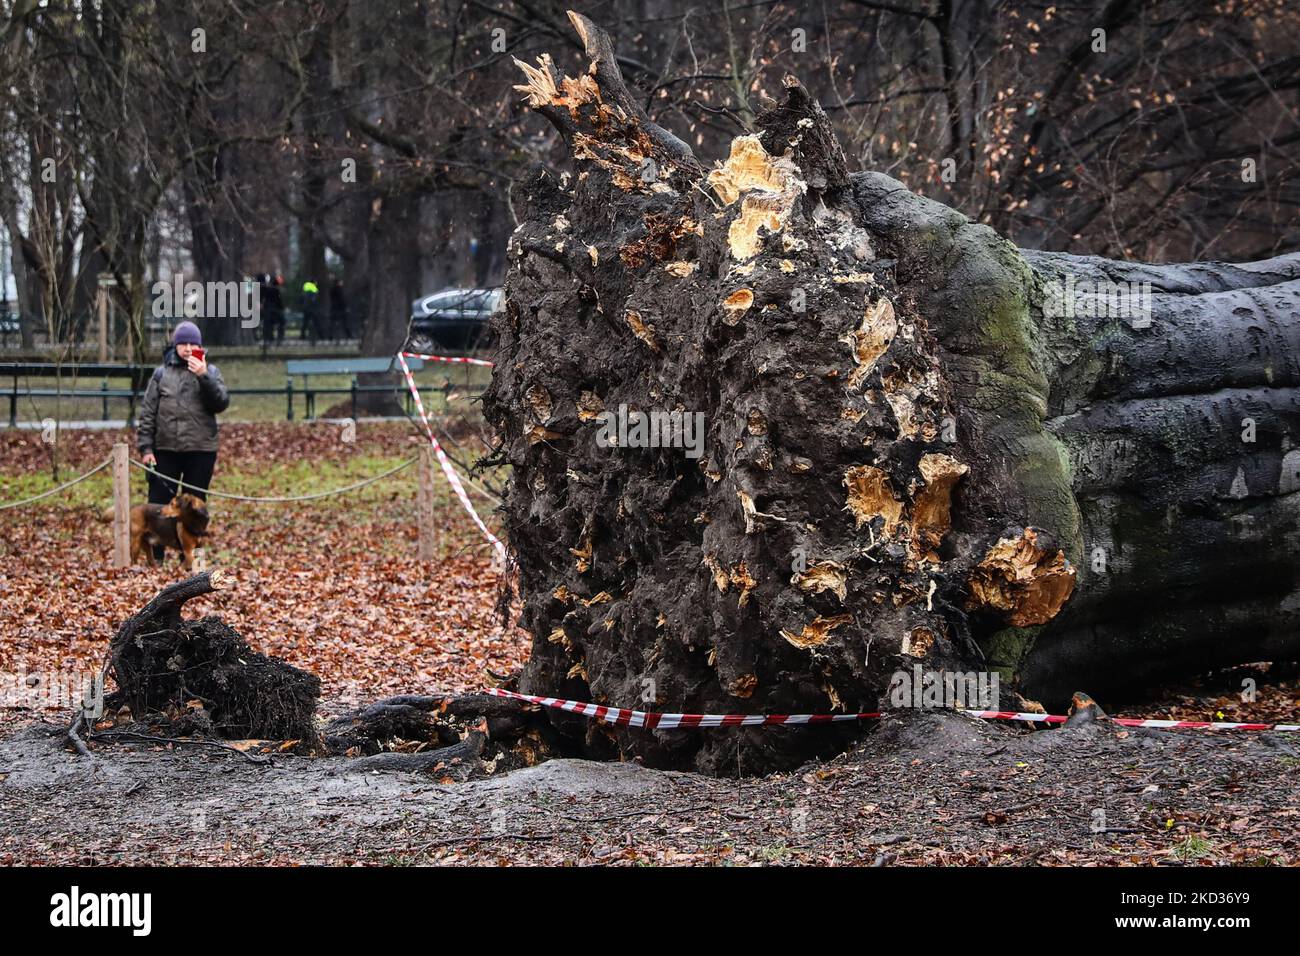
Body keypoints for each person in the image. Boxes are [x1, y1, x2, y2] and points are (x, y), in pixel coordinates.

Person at [137, 321, 229, 558]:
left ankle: (192, 560)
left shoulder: (212, 372)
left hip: (200, 450)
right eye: (183, 344)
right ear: (175, 346)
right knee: (158, 505)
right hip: (165, 449)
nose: (188, 348)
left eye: (193, 344)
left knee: (195, 509)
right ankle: (155, 559)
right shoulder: (161, 374)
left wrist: (203, 375)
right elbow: (148, 413)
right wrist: (146, 448)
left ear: (200, 346)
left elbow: (220, 403)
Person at [261, 273, 285, 344]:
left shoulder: (269, 288)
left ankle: (270, 338)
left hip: (269, 308)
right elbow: (278, 300)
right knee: (281, 322)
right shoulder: (275, 289)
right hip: (274, 309)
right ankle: (278, 338)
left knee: (269, 324)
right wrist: (281, 307)